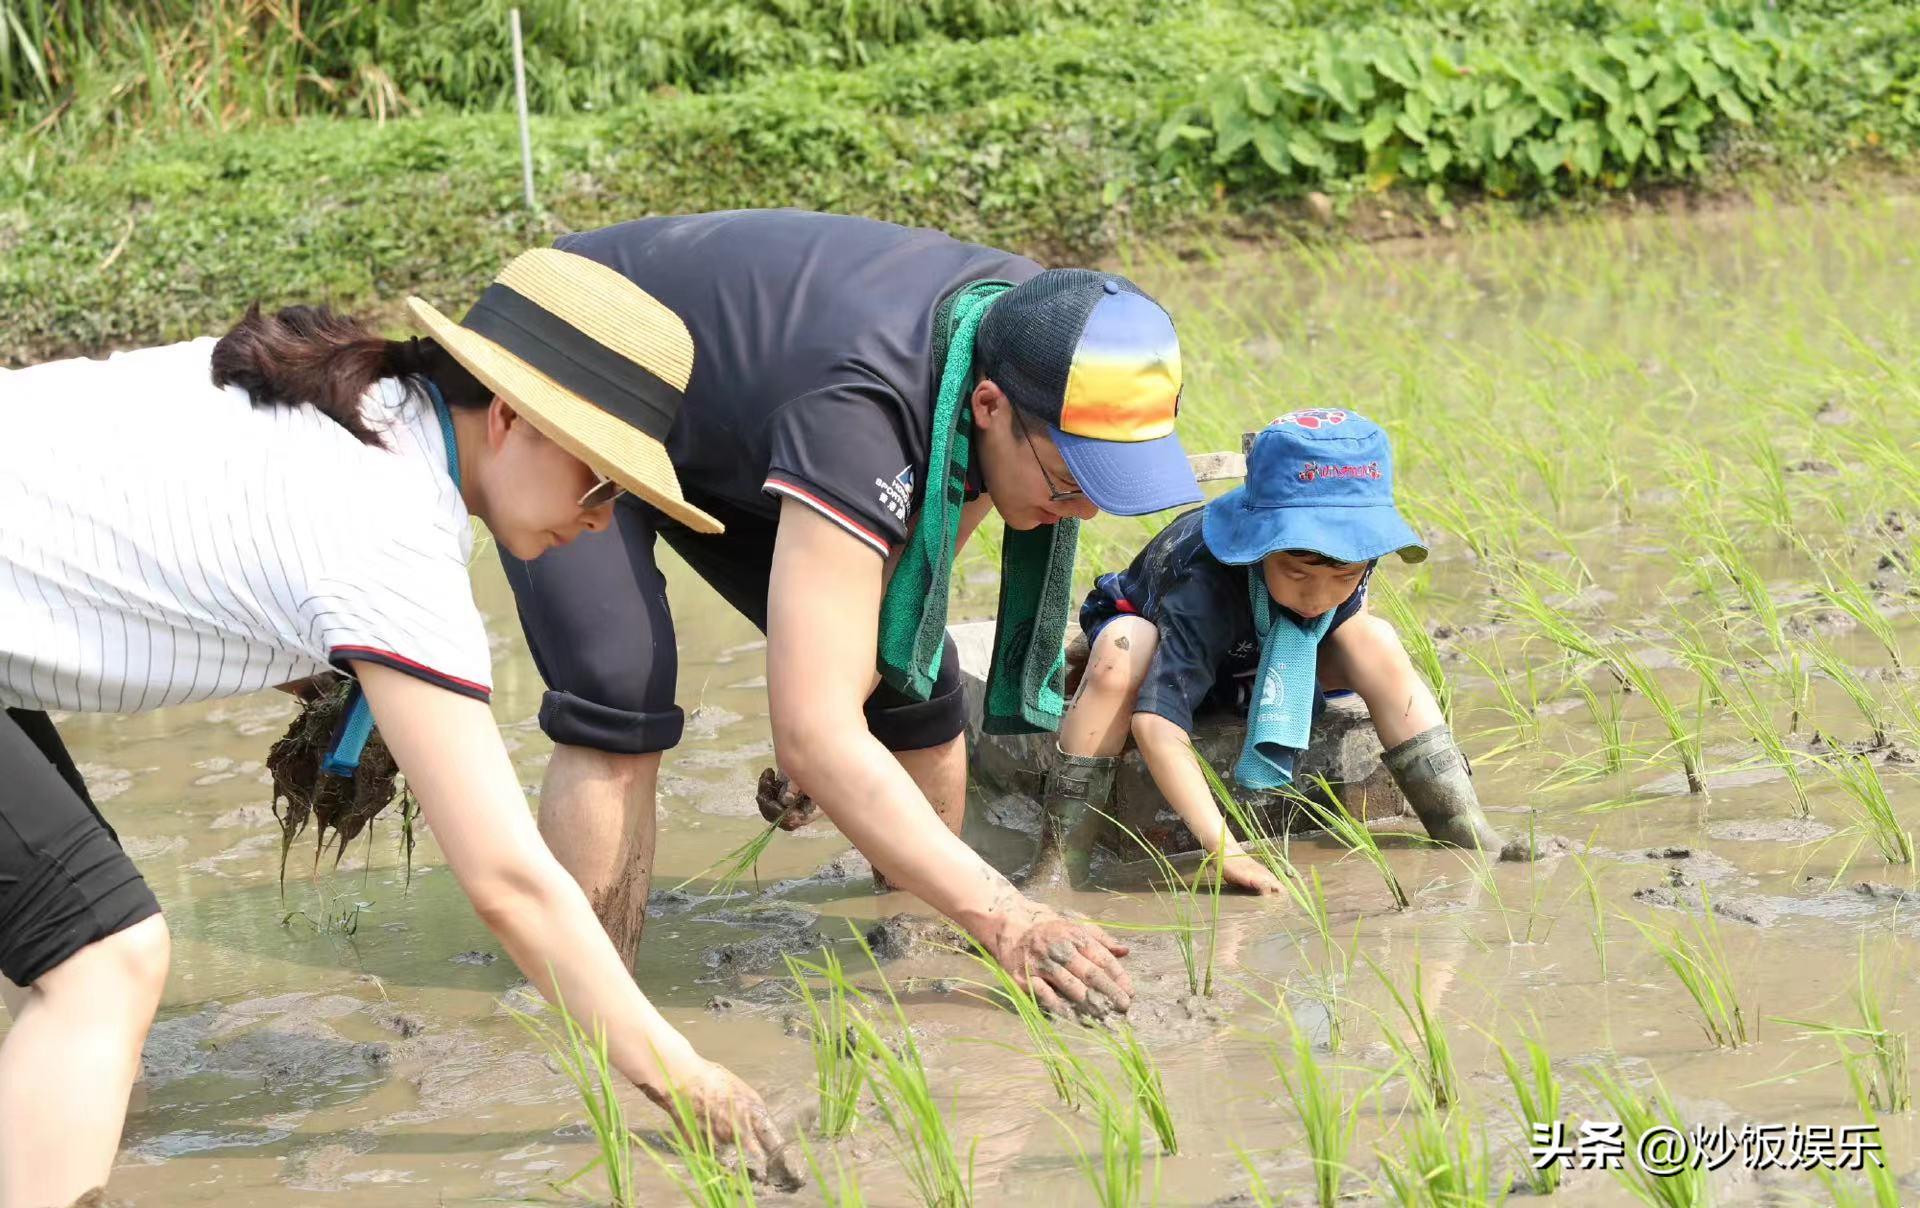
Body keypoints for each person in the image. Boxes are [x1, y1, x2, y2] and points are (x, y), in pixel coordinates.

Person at [0, 249, 784, 1208]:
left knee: (78, 962)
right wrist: (685, 1077)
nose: (602, 518)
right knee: (101, 959)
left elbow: (195, 557)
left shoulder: (357, 405)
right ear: (508, 417)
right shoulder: (393, 527)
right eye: (599, 480)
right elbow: (508, 883)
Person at [499, 209, 1203, 1017]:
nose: (1077, 512)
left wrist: (832, 720)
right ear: (988, 407)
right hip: (579, 355)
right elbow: (814, 726)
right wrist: (1007, 913)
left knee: (913, 679)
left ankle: (918, 960)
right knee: (619, 684)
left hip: (740, 408)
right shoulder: (865, 411)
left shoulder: (1036, 327)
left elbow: (909, 584)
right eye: (1069, 482)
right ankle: (585, 1005)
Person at [1032, 408, 1506, 891]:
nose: (1318, 597)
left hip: (1258, 656)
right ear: (1257, 547)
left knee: (1375, 638)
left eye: (1343, 577)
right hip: (1170, 651)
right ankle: (1059, 862)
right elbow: (1156, 724)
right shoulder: (1204, 584)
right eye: (1297, 574)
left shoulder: (1354, 562)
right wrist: (1226, 852)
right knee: (1122, 648)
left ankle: (1464, 827)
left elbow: (1343, 612)